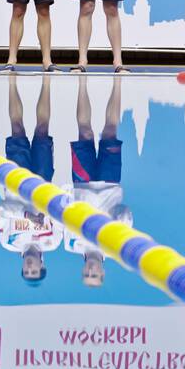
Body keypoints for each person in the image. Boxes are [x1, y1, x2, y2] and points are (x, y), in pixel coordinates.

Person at [0, 73, 62, 285]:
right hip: (42, 183)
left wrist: (26, 215)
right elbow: (61, 213)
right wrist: (46, 210)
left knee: (17, 128)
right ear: (43, 266)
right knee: (42, 129)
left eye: (27, 272)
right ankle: (47, 79)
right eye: (35, 272)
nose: (30, 268)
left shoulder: (8, 242)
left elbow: (0, 211)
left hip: (16, 183)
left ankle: (11, 79)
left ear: (23, 268)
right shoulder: (53, 242)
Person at [66, 74, 132, 287]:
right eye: (95, 275)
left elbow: (65, 213)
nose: (91, 271)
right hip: (109, 184)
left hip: (82, 183)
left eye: (87, 274)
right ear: (103, 273)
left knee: (84, 131)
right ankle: (118, 81)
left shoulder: (70, 244)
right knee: (110, 130)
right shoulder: (116, 249)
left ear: (83, 271)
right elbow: (125, 213)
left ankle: (82, 79)